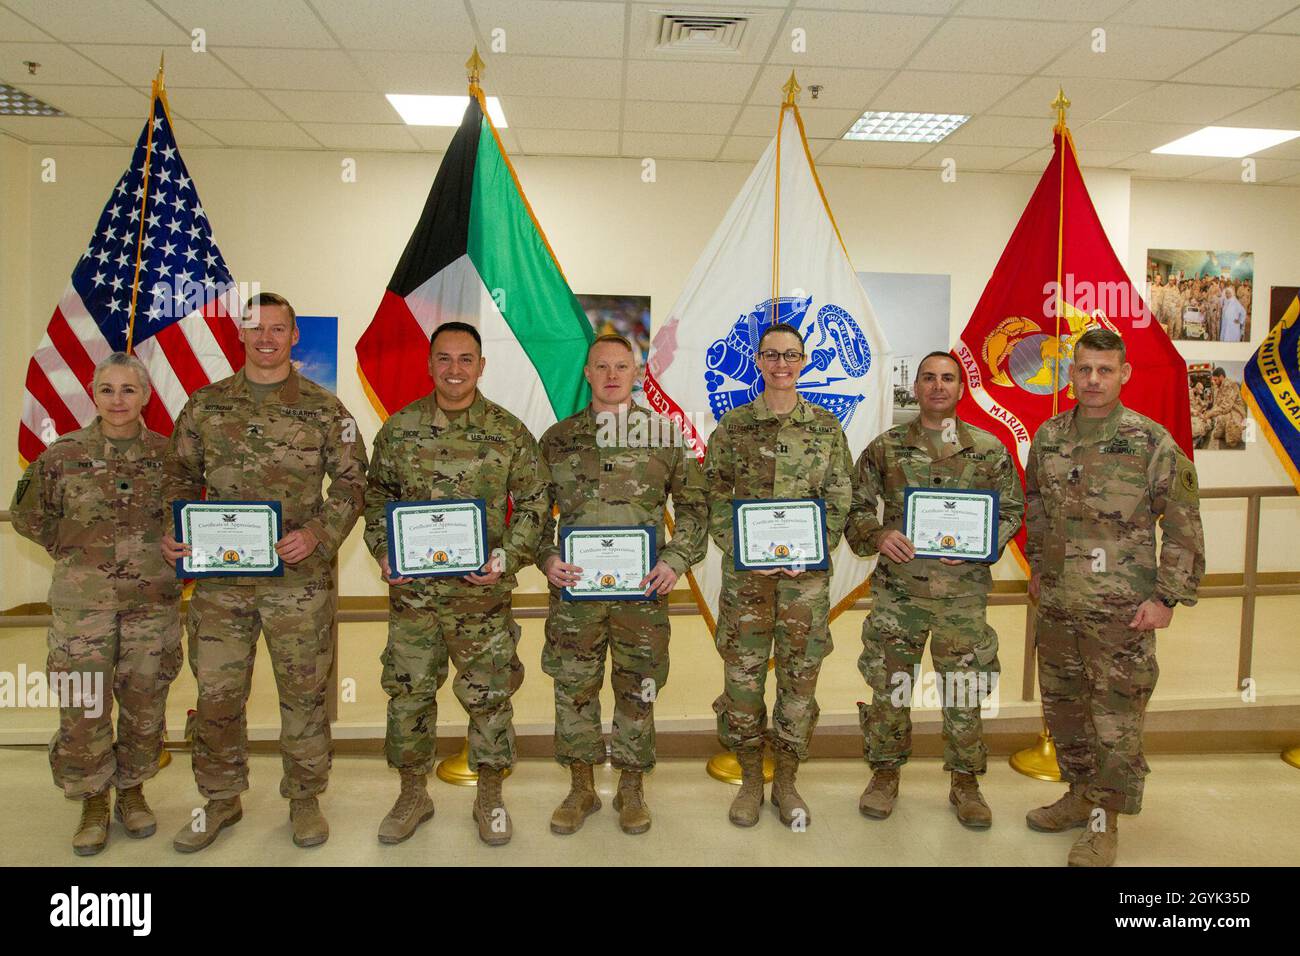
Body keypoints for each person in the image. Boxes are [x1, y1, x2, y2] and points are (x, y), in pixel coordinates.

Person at [162, 292, 368, 852]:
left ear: (294, 336)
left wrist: (319, 534)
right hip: (220, 584)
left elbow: (354, 483)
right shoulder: (204, 406)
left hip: (297, 583)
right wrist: (175, 528)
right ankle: (220, 798)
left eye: (278, 329)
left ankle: (304, 798)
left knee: (303, 694)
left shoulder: (327, 410)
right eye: (256, 329)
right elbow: (179, 477)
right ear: (242, 334)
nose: (267, 338)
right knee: (217, 694)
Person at [1024, 327, 1204, 866]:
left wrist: (1168, 597)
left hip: (1121, 614)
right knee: (1065, 712)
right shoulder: (1050, 435)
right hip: (1057, 606)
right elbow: (1036, 506)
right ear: (1071, 373)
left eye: (1105, 369)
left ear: (1124, 374)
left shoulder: (1151, 442)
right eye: (1084, 369)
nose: (1094, 379)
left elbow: (1182, 524)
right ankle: (1079, 797)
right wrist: (1036, 568)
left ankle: (1105, 823)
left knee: (1115, 719)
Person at [364, 321, 548, 846]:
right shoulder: (399, 430)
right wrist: (384, 552)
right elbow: (375, 500)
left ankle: (489, 796)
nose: (454, 370)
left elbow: (536, 505)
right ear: (429, 365)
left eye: (466, 359)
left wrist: (505, 557)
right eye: (444, 359)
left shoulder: (508, 432)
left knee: (489, 698)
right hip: (414, 600)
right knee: (407, 697)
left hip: (482, 598)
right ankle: (411, 794)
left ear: (482, 366)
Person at [11, 353, 183, 855]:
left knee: (144, 703)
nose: (117, 400)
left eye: (128, 390)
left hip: (151, 606)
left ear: (146, 395)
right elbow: (28, 516)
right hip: (82, 609)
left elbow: (189, 520)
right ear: (93, 393)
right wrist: (72, 548)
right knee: (84, 707)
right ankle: (91, 799)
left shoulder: (170, 457)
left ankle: (131, 791)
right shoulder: (62, 455)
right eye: (107, 389)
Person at [537, 333, 707, 835]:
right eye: (601, 366)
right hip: (575, 596)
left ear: (636, 374)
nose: (612, 375)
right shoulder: (557, 439)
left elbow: (696, 510)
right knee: (574, 687)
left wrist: (675, 560)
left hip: (642, 595)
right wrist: (545, 556)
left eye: (622, 366)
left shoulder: (667, 437)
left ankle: (631, 787)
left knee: (640, 687)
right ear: (587, 374)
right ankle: (582, 786)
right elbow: (528, 511)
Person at [846, 351, 1022, 828]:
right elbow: (855, 509)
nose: (938, 386)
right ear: (916, 388)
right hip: (897, 596)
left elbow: (1010, 511)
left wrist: (981, 545)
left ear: (961, 388)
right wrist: (879, 535)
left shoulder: (988, 449)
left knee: (964, 690)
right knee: (889, 688)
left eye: (948, 378)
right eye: (928, 378)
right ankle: (884, 775)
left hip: (961, 597)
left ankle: (966, 783)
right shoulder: (885, 449)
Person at [702, 321, 853, 829]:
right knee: (742, 682)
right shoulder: (734, 427)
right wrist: (745, 549)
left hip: (803, 585)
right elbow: (715, 497)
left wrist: (813, 549)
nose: (782, 364)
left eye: (791, 355)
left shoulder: (827, 428)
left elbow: (840, 496)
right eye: (772, 355)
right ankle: (749, 780)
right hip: (747, 583)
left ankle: (786, 780)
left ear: (804, 362)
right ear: (759, 361)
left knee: (799, 683)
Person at [1206, 367, 1247, 448]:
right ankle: (1226, 430)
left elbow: (1225, 407)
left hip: (1236, 412)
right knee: (1216, 435)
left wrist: (1209, 414)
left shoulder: (1231, 385)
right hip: (1227, 413)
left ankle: (1238, 428)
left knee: (1231, 440)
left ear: (1221, 377)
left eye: (1215, 380)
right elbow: (1217, 405)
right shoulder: (1219, 387)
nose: (1214, 382)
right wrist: (1208, 413)